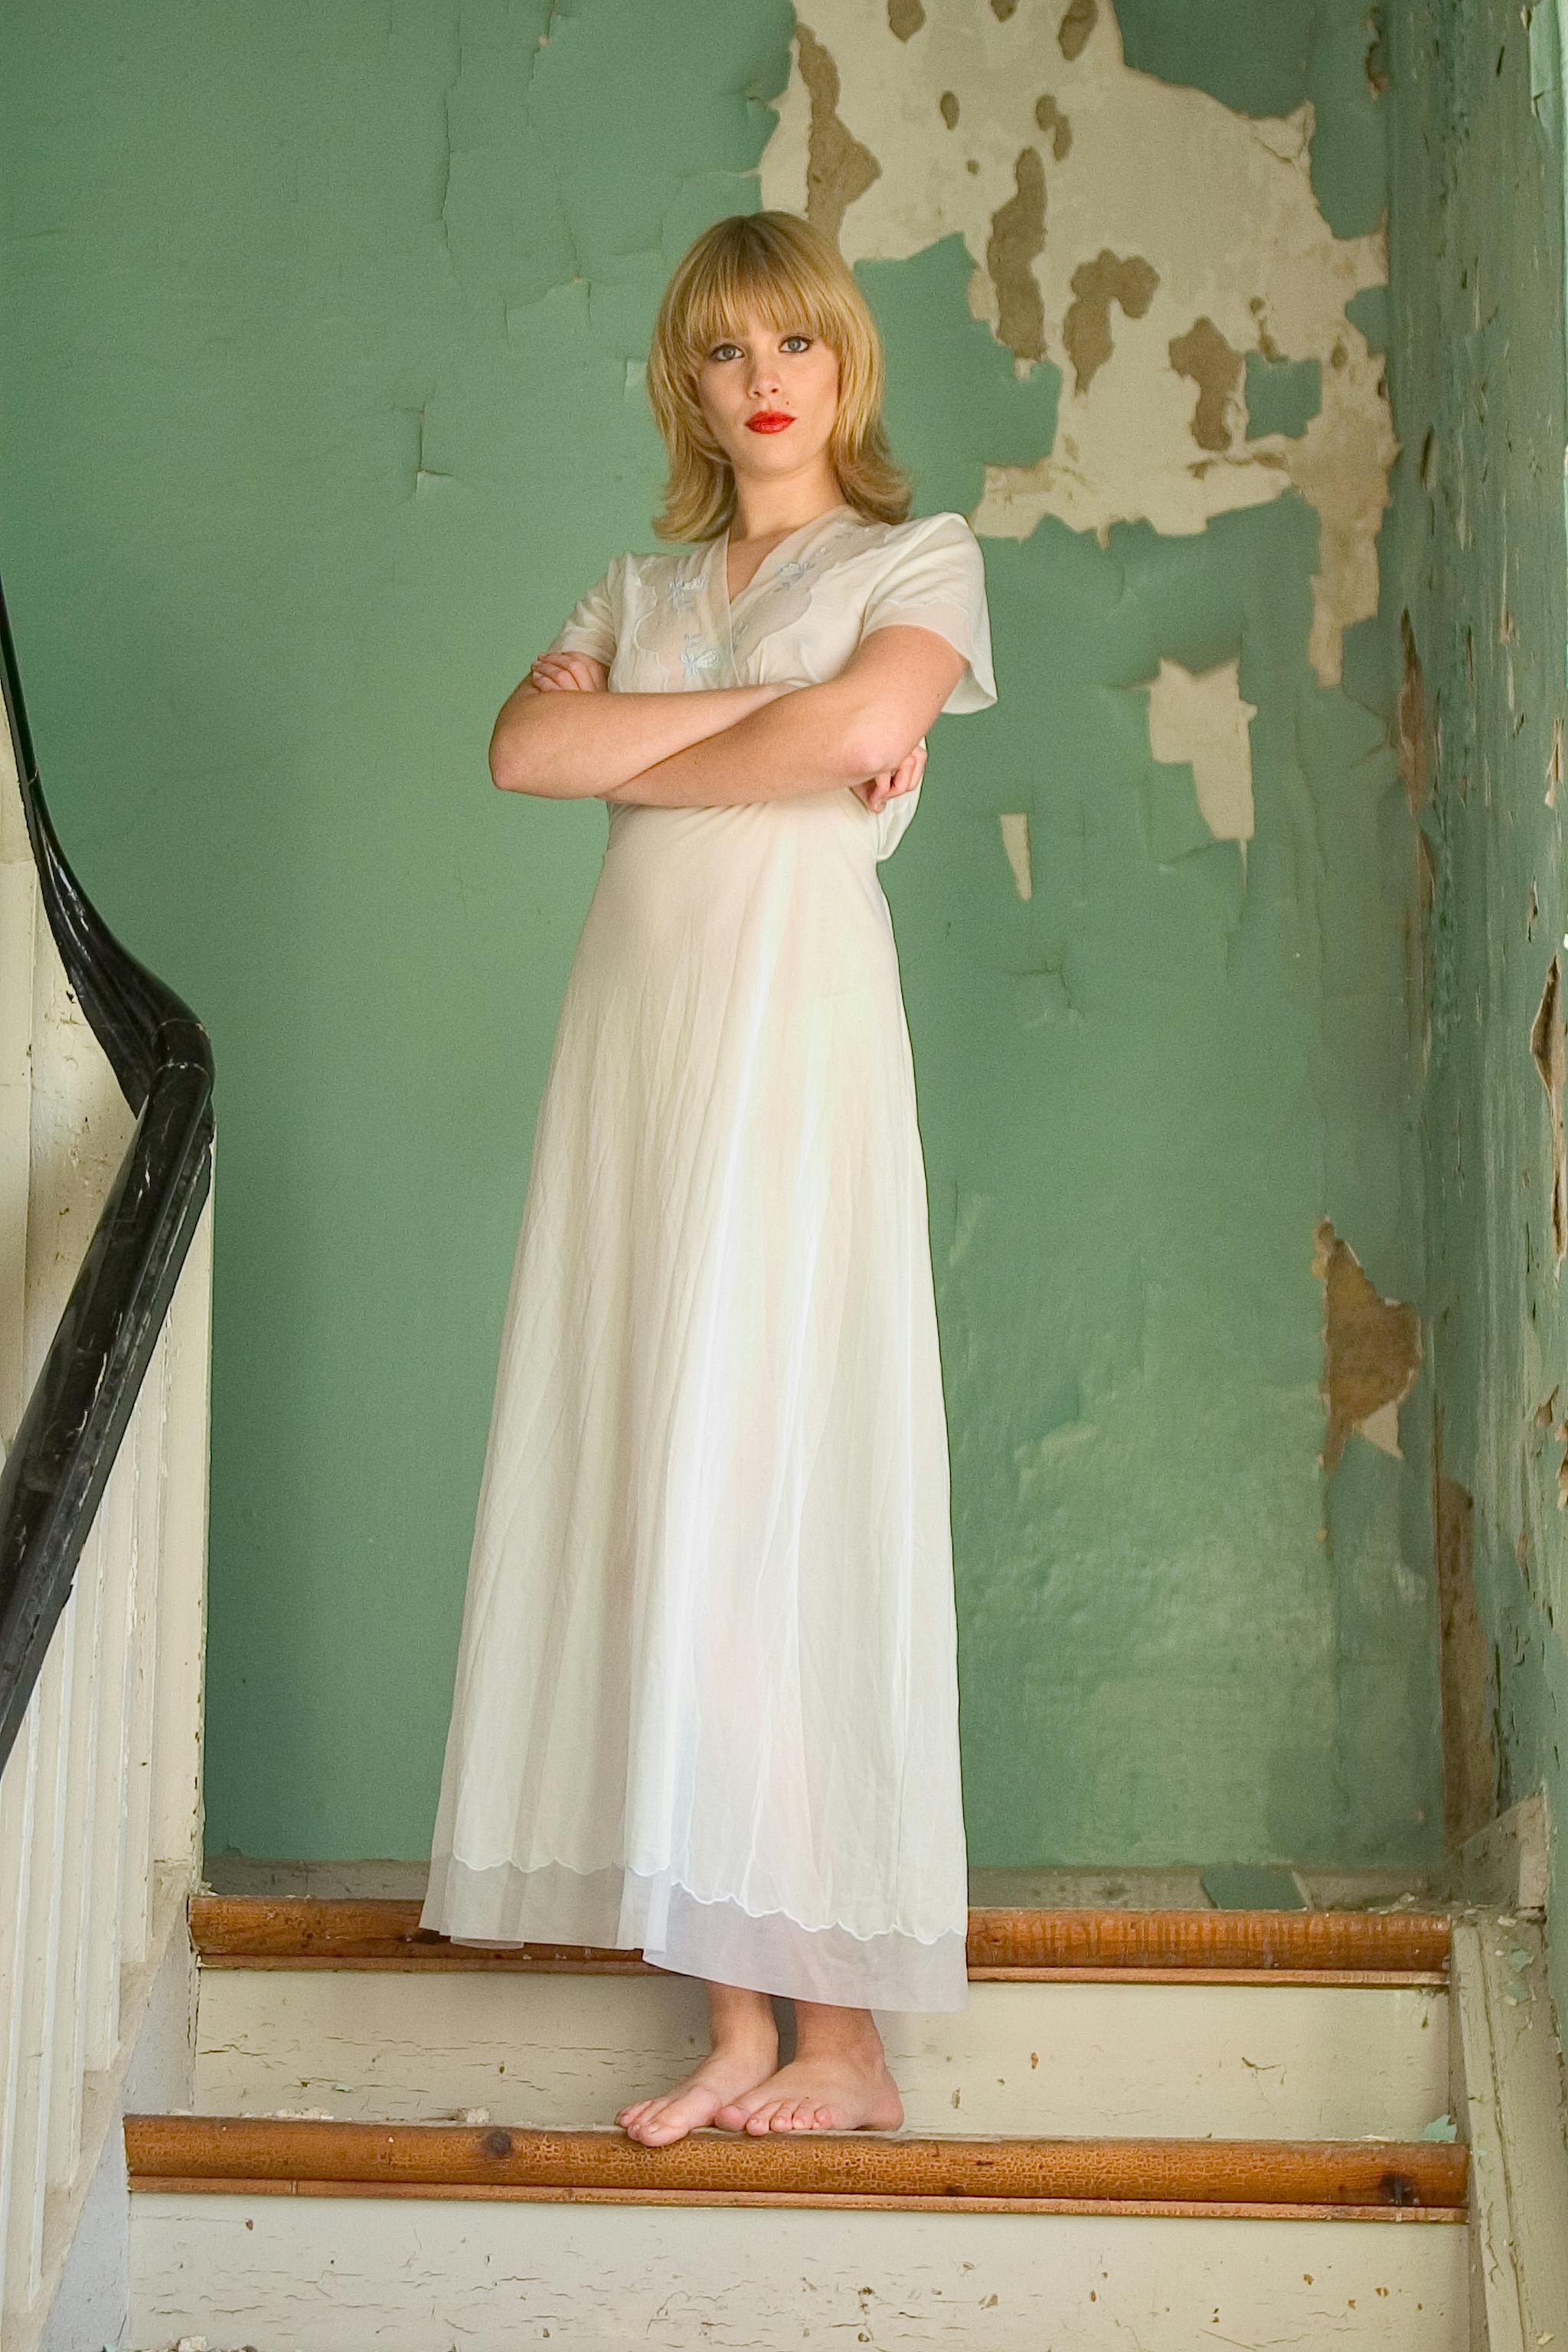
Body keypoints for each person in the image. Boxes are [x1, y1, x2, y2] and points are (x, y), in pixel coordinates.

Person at [418, 208, 998, 2148]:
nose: (762, 383)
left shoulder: (917, 560)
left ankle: (851, 2041)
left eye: (796, 348)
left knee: (779, 1487)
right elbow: (519, 751)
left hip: (792, 1053)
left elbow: (864, 718)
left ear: (843, 367)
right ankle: (743, 2018)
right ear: (685, 376)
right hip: (638, 1058)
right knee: (664, 1487)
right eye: (725, 351)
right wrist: (737, 742)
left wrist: (635, 749)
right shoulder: (634, 578)